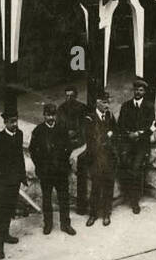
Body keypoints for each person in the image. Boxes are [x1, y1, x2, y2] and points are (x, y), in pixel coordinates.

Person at [29, 101, 76, 237]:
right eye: (48, 115)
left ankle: (66, 224)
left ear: (56, 116)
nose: (51, 118)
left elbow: (68, 147)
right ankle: (48, 224)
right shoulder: (38, 131)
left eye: (53, 115)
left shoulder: (62, 128)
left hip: (60, 172)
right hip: (46, 173)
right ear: (44, 116)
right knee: (47, 199)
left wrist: (64, 163)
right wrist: (40, 166)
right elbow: (33, 151)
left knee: (63, 198)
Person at [0, 107, 26, 259]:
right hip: (2, 184)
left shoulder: (19, 135)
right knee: (1, 215)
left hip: (14, 182)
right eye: (11, 122)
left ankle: (7, 235)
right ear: (5, 122)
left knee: (9, 210)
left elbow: (19, 157)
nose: (14, 124)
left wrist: (22, 177)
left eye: (16, 121)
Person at [117, 77, 155, 215]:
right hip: (128, 141)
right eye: (136, 90)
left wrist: (139, 134)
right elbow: (120, 124)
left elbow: (150, 126)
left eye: (141, 90)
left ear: (144, 92)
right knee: (124, 163)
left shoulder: (149, 106)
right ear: (133, 91)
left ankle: (135, 201)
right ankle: (127, 194)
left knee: (136, 167)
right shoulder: (126, 106)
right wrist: (129, 134)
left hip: (141, 144)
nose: (138, 92)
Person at [84, 89, 118, 226]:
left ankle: (106, 213)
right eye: (104, 102)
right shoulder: (90, 118)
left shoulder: (109, 116)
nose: (107, 105)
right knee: (96, 187)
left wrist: (111, 135)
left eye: (108, 102)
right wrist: (108, 135)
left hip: (109, 157)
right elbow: (92, 138)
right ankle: (93, 214)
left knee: (108, 186)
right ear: (97, 102)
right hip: (96, 157)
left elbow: (116, 132)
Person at [57, 84, 89, 215]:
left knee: (82, 171)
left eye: (72, 96)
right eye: (67, 96)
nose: (69, 98)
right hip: (66, 144)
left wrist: (76, 135)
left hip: (80, 143)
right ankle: (64, 204)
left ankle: (81, 206)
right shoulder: (61, 109)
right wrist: (66, 134)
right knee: (61, 170)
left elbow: (85, 127)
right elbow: (59, 127)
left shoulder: (82, 108)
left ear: (76, 96)